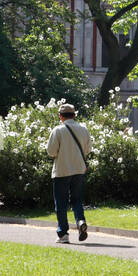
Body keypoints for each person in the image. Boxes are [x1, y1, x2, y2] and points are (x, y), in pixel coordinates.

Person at [46, 103, 92, 244]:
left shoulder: (58, 130)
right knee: (77, 200)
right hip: (79, 170)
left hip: (62, 170)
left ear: (60, 116)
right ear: (74, 115)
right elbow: (88, 150)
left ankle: (63, 233)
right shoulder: (84, 129)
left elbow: (51, 152)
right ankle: (80, 221)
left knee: (61, 203)